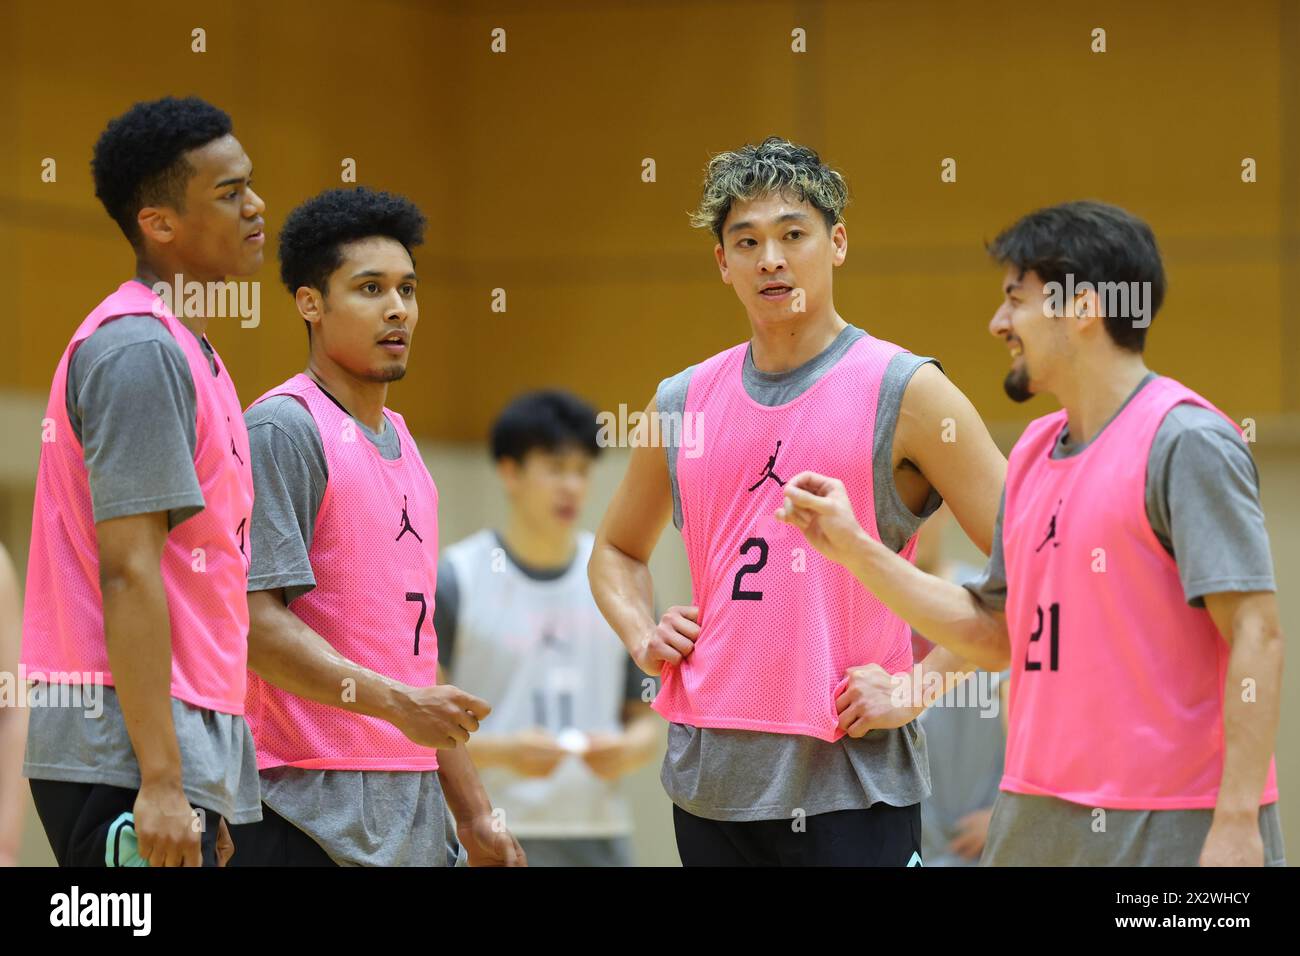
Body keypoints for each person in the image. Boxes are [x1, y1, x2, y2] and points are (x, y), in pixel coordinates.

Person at [776, 200, 1285, 866]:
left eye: (1015, 300)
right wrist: (855, 548)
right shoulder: (1033, 453)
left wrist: (1239, 819)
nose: (998, 323)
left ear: (1084, 310)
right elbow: (996, 632)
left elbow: (1257, 631)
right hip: (1037, 809)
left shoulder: (1184, 441)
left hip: (1171, 814)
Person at [588, 136, 1006, 866]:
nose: (770, 260)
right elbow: (617, 550)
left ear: (836, 243)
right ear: (723, 263)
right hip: (709, 783)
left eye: (792, 235)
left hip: (851, 783)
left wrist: (917, 686)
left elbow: (1031, 563)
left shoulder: (907, 391)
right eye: (746, 242)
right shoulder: (681, 400)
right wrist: (640, 635)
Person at [229, 187, 523, 866]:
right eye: (369, 288)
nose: (397, 309)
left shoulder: (405, 445)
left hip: (409, 806)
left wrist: (475, 814)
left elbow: (412, 660)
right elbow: (255, 626)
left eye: (407, 289)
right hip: (298, 806)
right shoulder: (283, 429)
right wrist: (396, 705)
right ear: (310, 303)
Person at [22, 96, 265, 866]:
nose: (256, 206)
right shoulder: (138, 351)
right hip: (118, 748)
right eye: (229, 194)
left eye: (250, 185)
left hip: (172, 744)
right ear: (160, 224)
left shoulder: (193, 351)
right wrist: (161, 778)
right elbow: (129, 571)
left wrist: (205, 775)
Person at [436, 390, 658, 866]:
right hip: (492, 830)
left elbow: (646, 718)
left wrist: (629, 749)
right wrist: (502, 753)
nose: (572, 486)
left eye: (582, 471)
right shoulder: (457, 576)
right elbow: (423, 726)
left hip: (599, 831)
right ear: (510, 471)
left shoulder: (613, 575)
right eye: (555, 468)